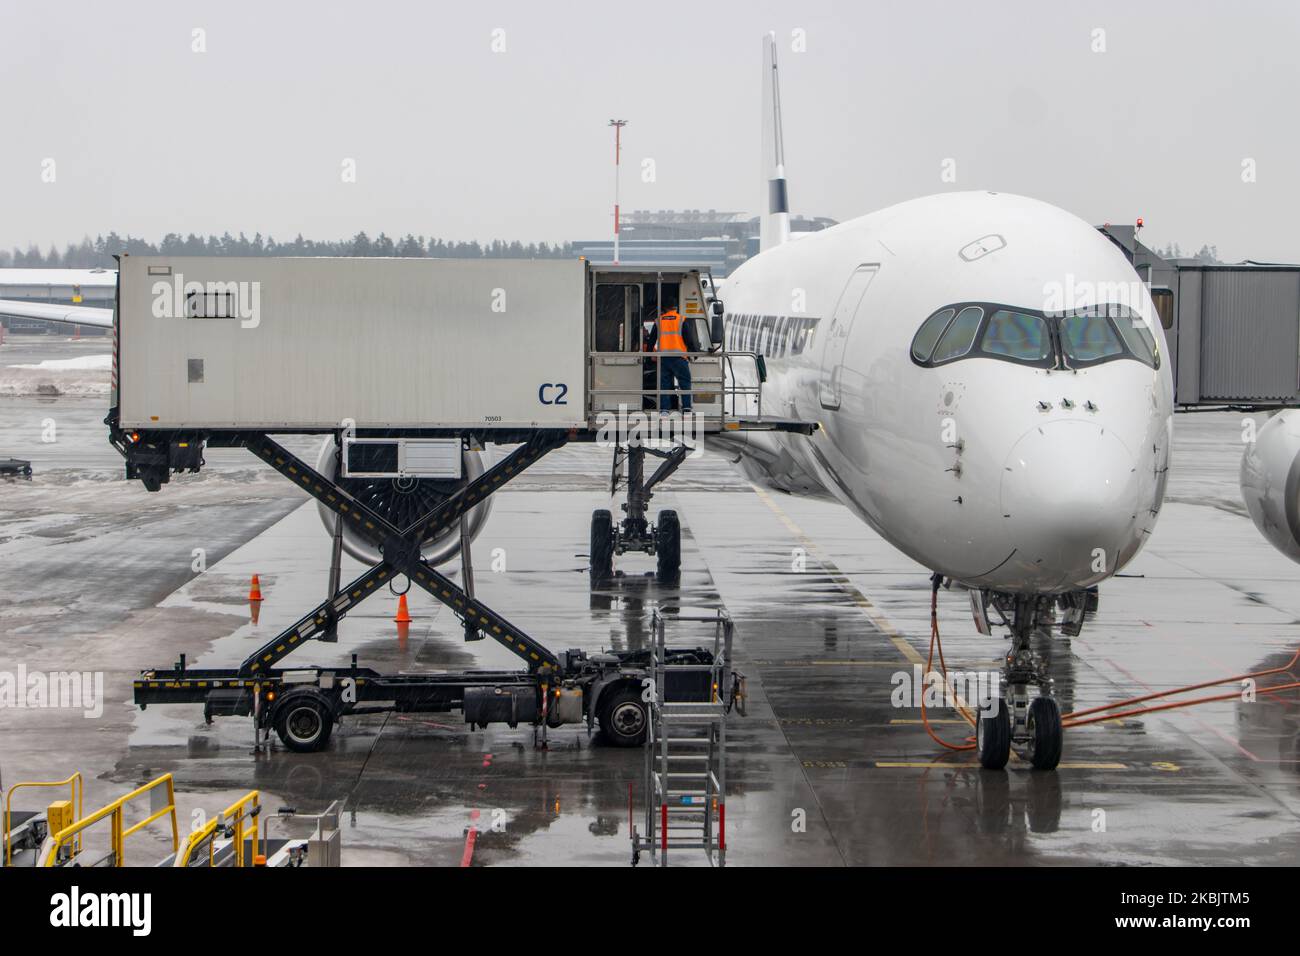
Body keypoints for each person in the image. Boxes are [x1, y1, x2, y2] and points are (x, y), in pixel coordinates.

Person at [646, 307, 699, 411]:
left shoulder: (659, 321)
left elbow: (651, 340)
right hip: (679, 358)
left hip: (664, 359)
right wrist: (693, 353)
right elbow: (688, 339)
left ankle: (664, 409)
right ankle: (686, 408)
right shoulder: (681, 319)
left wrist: (647, 355)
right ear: (675, 308)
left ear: (665, 309)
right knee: (684, 382)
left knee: (664, 384)